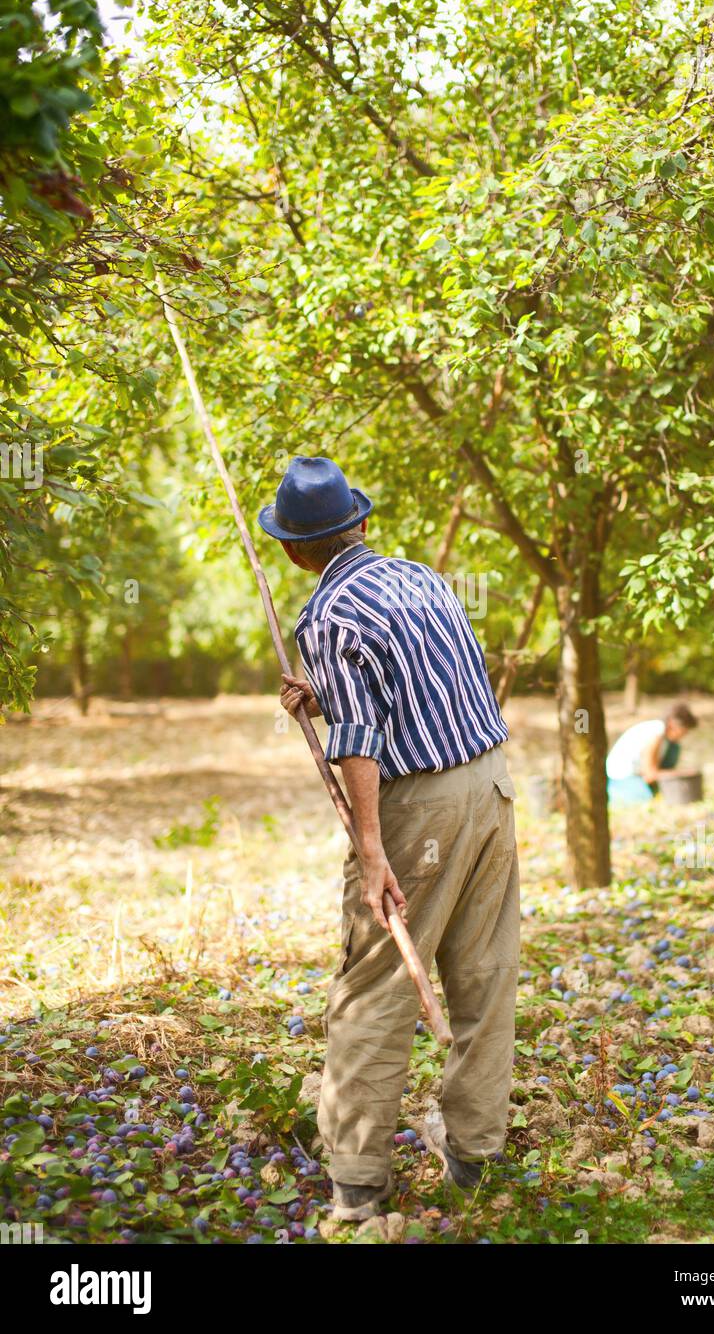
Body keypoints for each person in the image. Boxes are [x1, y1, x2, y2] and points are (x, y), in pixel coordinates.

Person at [258, 456, 520, 1223]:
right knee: (483, 972)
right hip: (492, 787)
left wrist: (373, 852)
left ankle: (359, 1186)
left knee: (373, 989)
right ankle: (476, 1160)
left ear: (293, 550)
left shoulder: (327, 617)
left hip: (421, 810)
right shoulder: (423, 578)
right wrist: (326, 691)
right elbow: (433, 676)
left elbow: (363, 740)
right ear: (361, 523)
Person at [606, 702, 698, 807]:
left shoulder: (668, 741)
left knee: (674, 747)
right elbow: (650, 774)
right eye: (684, 731)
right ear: (672, 724)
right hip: (620, 779)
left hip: (638, 775)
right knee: (646, 799)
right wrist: (680, 774)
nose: (684, 735)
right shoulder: (656, 732)